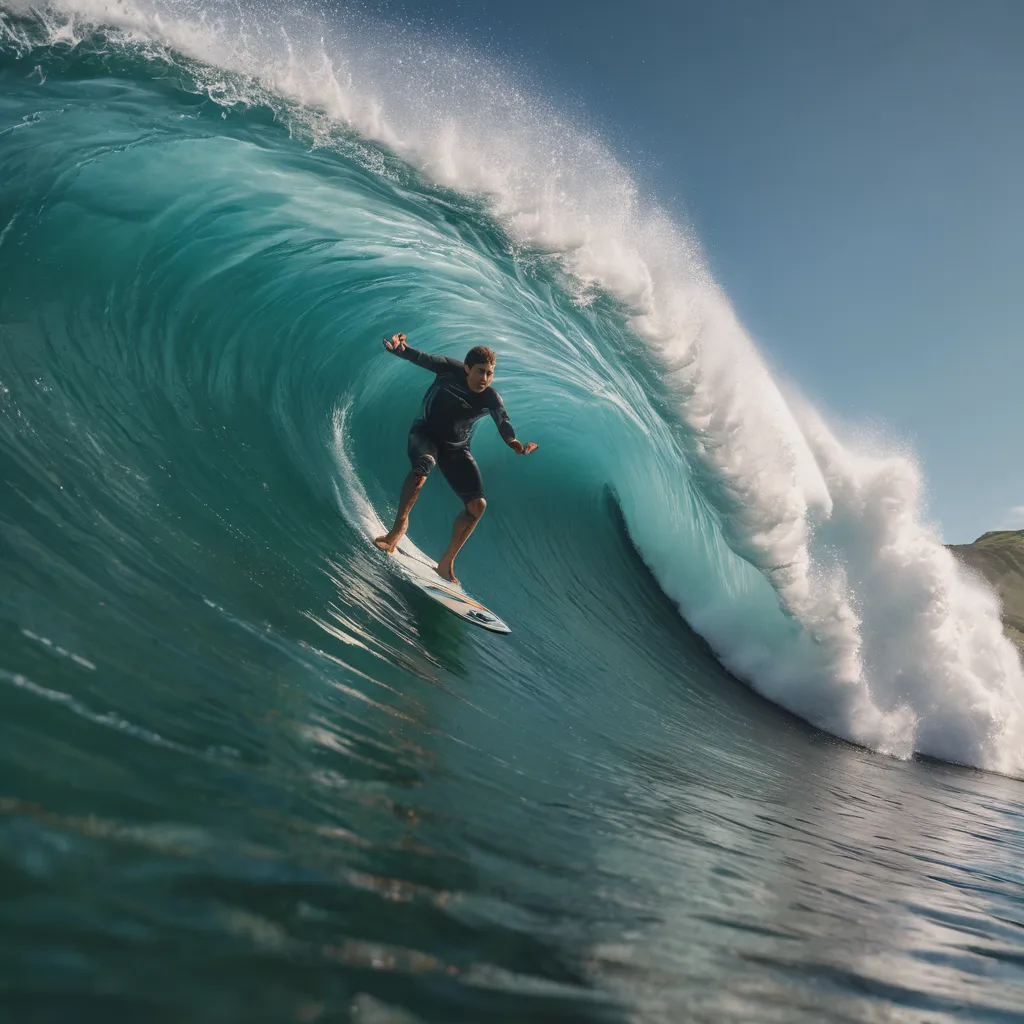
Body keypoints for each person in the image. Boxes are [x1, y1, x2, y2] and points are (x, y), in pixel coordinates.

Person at [374, 333, 538, 584]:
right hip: (426, 432)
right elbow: (421, 358)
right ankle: (398, 529)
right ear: (468, 367)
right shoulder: (449, 370)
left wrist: (513, 443)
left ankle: (446, 563)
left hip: (456, 448)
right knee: (422, 468)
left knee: (477, 506)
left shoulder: (490, 397)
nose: (484, 378)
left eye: (490, 373)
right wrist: (400, 350)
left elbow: (503, 420)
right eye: (480, 371)